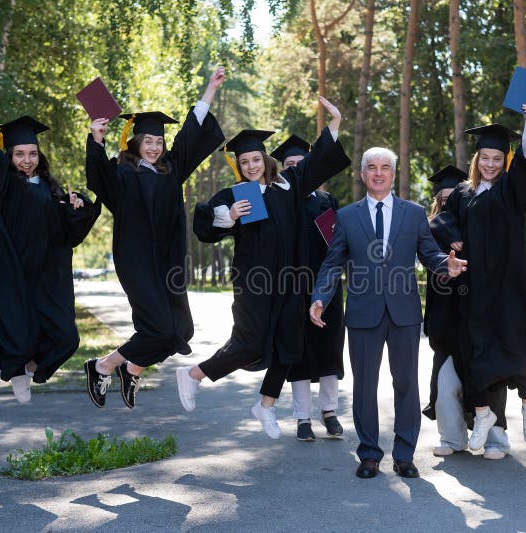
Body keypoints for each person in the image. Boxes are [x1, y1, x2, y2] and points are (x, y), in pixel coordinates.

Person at [182, 97, 350, 440]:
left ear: (265, 159)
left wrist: (333, 124)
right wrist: (229, 216)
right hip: (254, 283)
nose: (252, 165)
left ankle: (266, 405)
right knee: (250, 344)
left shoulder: (288, 186)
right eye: (245, 161)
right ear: (239, 165)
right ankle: (194, 374)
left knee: (291, 344)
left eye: (256, 159)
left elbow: (316, 161)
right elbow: (204, 224)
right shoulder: (239, 194)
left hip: (289, 283)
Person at [310, 146, 468, 479]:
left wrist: (446, 266)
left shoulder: (413, 213)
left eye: (385, 167)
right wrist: (320, 296)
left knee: (406, 383)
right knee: (365, 386)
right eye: (372, 167)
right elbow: (332, 262)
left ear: (393, 174)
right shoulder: (347, 216)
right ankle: (368, 454)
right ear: (362, 174)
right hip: (363, 313)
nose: (378, 173)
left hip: (404, 313)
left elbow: (430, 255)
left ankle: (404, 455)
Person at [0, 79, 100, 403]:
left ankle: (26, 371)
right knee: (15, 340)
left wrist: (76, 209)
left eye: (32, 153)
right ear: (9, 154)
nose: (26, 160)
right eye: (19, 153)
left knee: (65, 338)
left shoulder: (50, 190)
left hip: (45, 278)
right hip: (12, 274)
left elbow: (68, 236)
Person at [83, 67, 226, 409]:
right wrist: (97, 138)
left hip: (166, 262)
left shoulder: (171, 170)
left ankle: (130, 368)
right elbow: (99, 177)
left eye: (159, 142)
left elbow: (191, 134)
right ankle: (104, 366)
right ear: (135, 142)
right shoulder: (122, 172)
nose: (154, 147)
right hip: (136, 261)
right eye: (148, 141)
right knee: (162, 330)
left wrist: (210, 89)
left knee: (182, 330)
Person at [436, 101, 526, 460]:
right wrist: (452, 234)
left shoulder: (511, 191)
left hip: (506, 285)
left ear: (504, 161)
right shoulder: (462, 193)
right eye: (484, 158)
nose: (489, 164)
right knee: (474, 352)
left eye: (496, 159)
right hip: (473, 288)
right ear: (476, 160)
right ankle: (485, 415)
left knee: (514, 346)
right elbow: (439, 219)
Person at [270, 135, 345, 442]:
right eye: (289, 166)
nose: (296, 170)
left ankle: (329, 412)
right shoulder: (280, 200)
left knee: (330, 348)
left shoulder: (328, 202)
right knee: (297, 351)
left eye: (302, 165)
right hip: (290, 287)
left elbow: (339, 245)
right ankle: (302, 417)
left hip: (327, 285)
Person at [421, 164, 469, 457]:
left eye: (456, 198)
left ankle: (487, 431)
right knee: (445, 379)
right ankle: (451, 437)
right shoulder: (432, 229)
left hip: (473, 313)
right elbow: (431, 227)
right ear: (438, 199)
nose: (450, 203)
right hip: (443, 315)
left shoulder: (475, 225)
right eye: (445, 198)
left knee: (477, 376)